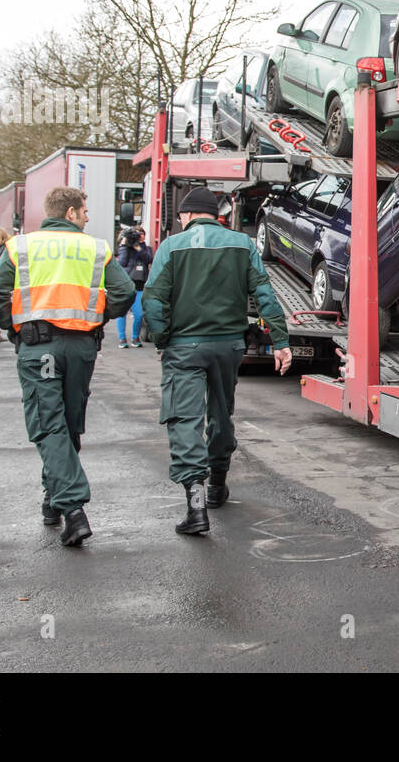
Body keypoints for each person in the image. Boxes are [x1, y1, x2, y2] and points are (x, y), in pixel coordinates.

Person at [0, 187, 135, 547]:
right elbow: (125, 292)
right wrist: (98, 317)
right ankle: (53, 501)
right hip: (82, 347)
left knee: (49, 425)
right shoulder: (95, 247)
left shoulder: (22, 246)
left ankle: (73, 509)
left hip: (38, 346)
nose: (86, 217)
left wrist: (13, 325)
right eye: (83, 211)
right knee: (66, 424)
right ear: (69, 213)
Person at [142, 187, 292, 536]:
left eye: (181, 215)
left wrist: (163, 339)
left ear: (190, 214)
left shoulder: (171, 246)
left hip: (184, 347)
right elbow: (265, 294)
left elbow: (153, 300)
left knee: (185, 420)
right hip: (228, 346)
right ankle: (217, 484)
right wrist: (280, 341)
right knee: (221, 414)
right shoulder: (242, 245)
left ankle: (195, 507)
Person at [115, 227, 153, 348]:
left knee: (139, 314)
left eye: (142, 234)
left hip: (139, 286)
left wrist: (139, 248)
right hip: (126, 285)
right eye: (138, 235)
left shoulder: (146, 249)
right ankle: (122, 338)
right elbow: (122, 263)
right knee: (121, 313)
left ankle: (135, 337)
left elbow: (149, 259)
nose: (140, 237)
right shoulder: (125, 248)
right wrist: (123, 246)